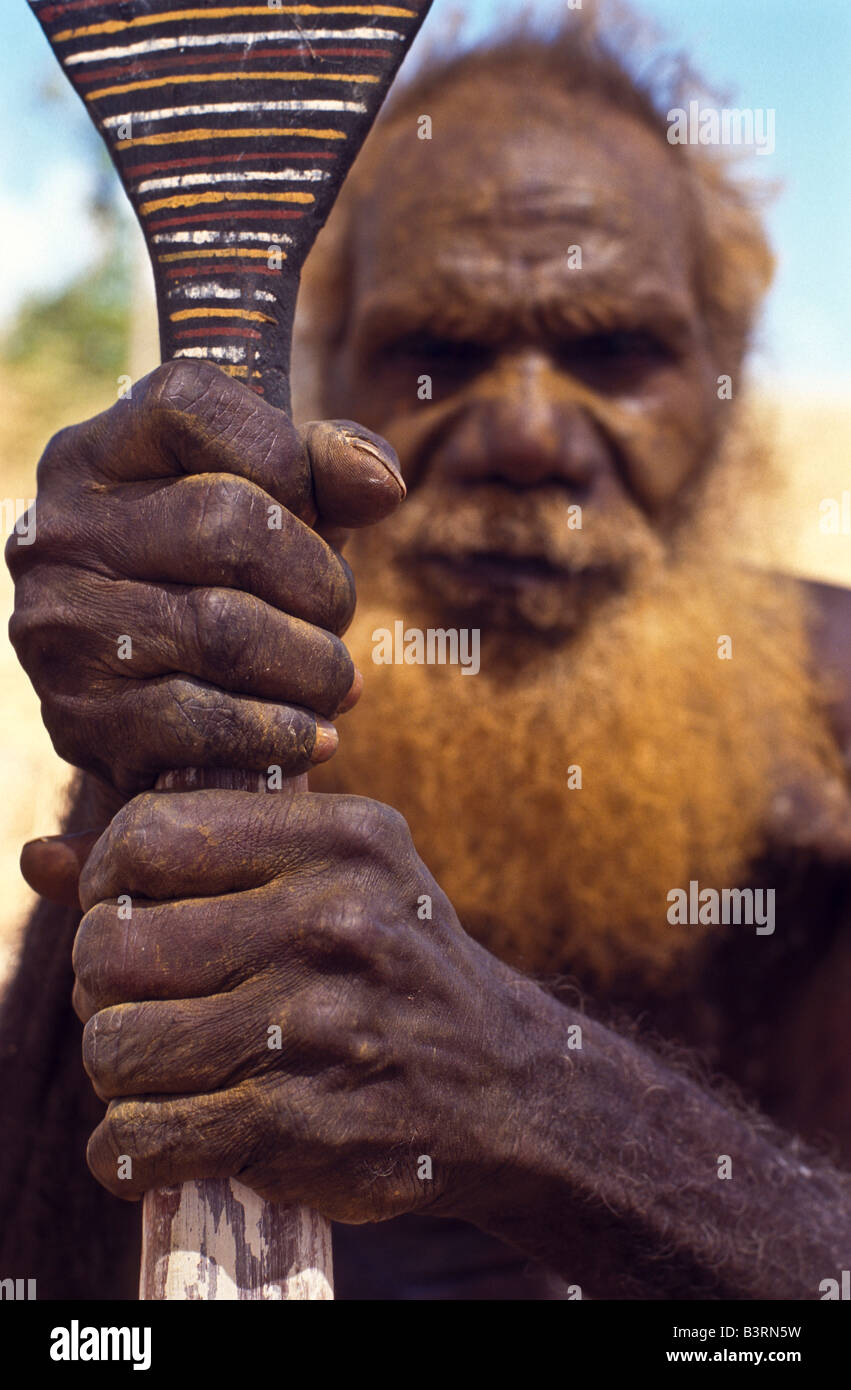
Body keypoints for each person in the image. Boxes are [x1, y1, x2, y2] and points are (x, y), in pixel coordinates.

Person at [3, 19, 850, 1300]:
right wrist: (127, 774)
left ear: (724, 379)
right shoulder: (237, 719)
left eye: (614, 352)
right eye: (434, 354)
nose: (521, 432)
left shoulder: (831, 736)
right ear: (320, 379)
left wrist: (544, 1100)